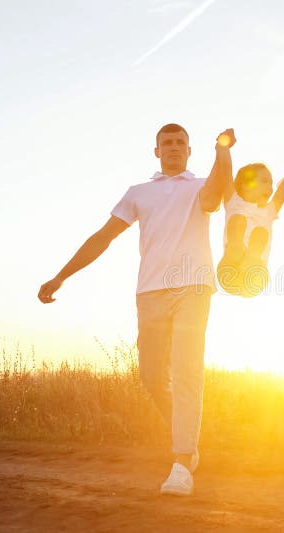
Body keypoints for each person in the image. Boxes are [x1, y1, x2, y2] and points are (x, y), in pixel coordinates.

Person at [37, 123, 235, 496]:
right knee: (151, 378)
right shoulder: (138, 193)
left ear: (190, 151)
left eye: (180, 143)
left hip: (193, 286)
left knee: (187, 370)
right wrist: (62, 276)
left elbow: (212, 201)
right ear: (156, 151)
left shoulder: (200, 186)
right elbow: (103, 237)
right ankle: (187, 440)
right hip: (150, 291)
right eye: (167, 143)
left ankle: (181, 463)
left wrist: (223, 151)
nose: (174, 148)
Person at [217, 136, 284, 297]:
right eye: (264, 181)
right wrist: (223, 145)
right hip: (228, 271)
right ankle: (236, 249)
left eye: (270, 183)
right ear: (245, 184)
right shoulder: (233, 201)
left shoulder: (269, 210)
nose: (270, 187)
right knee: (238, 221)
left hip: (255, 277)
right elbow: (225, 169)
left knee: (259, 234)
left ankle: (250, 258)